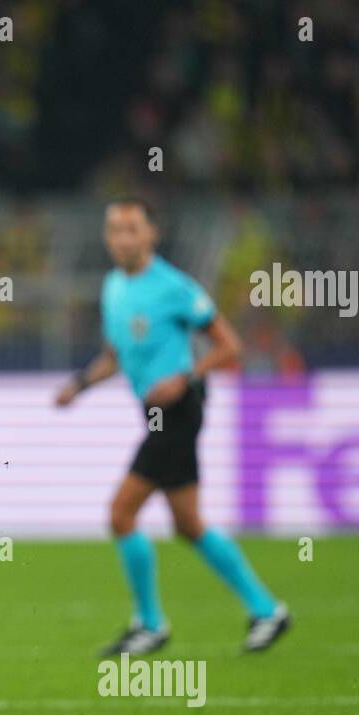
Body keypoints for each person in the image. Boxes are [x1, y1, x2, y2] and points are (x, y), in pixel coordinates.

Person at [55, 197, 290, 655]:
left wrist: (185, 376)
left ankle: (149, 623)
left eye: (132, 229)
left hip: (181, 411)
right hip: (155, 413)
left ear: (150, 235)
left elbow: (229, 347)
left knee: (120, 514)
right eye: (115, 230)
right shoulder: (113, 287)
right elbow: (115, 358)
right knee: (188, 523)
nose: (122, 238)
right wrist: (79, 385)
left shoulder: (173, 287)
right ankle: (267, 610)